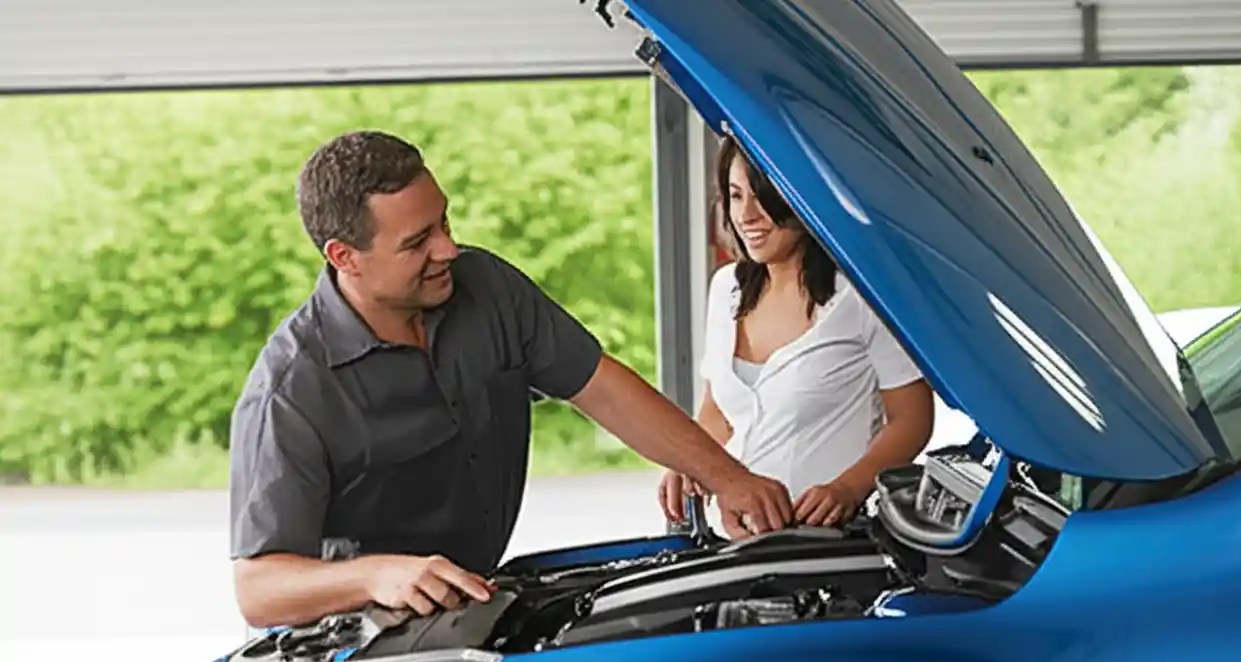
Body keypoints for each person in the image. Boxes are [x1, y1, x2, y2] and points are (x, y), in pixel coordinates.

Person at [228, 130, 793, 629]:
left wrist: (727, 478)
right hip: (358, 654)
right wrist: (374, 576)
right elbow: (258, 590)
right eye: (416, 242)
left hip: (475, 610)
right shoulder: (292, 390)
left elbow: (601, 388)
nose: (447, 248)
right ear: (344, 257)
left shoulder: (487, 288)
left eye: (443, 222)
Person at [659, 138, 934, 529]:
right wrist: (689, 463)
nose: (747, 215)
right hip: (729, 538)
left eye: (763, 197)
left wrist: (848, 489)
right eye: (735, 197)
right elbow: (717, 412)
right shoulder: (726, 289)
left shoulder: (862, 299)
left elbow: (912, 419)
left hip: (823, 543)